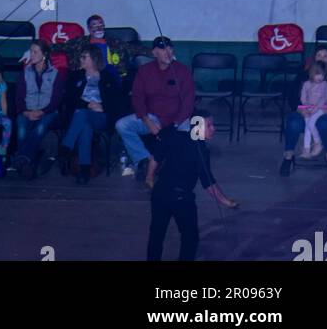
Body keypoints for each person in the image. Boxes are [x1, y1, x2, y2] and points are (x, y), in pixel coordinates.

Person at [147, 113, 237, 261]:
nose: (213, 129)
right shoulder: (200, 148)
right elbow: (208, 183)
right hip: (181, 199)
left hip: (159, 194)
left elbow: (155, 157)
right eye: (209, 126)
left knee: (157, 234)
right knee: (190, 238)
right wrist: (226, 202)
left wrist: (149, 177)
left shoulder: (172, 135)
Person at [116, 36, 195, 182]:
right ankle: (144, 160)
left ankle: (178, 167)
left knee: (191, 137)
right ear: (154, 53)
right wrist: (147, 121)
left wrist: (175, 124)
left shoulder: (183, 71)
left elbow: (188, 103)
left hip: (178, 119)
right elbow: (137, 98)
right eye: (163, 49)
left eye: (170, 48)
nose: (168, 52)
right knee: (122, 125)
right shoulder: (144, 71)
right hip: (153, 118)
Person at [60, 44, 129, 183]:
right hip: (81, 117)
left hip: (101, 117)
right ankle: (84, 171)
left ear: (93, 59)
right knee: (85, 125)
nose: (81, 59)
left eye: (84, 57)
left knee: (83, 115)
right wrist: (88, 105)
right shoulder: (75, 76)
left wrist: (102, 107)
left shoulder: (107, 77)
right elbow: (69, 99)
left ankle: (66, 147)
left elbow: (118, 102)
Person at [13, 41, 65, 178]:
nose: (32, 54)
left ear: (45, 54)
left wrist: (42, 112)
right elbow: (18, 97)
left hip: (48, 111)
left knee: (41, 127)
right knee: (22, 128)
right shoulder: (25, 72)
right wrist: (26, 112)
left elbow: (56, 100)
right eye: (31, 51)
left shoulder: (55, 74)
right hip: (27, 110)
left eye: (35, 52)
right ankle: (27, 163)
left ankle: (22, 159)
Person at [280, 45, 327, 175]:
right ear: (313, 58)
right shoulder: (303, 74)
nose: (322, 58)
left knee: (324, 124)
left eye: (325, 56)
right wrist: (300, 109)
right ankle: (288, 156)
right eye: (319, 55)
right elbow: (292, 95)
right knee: (293, 122)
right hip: (305, 111)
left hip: (325, 112)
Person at [298, 61, 327, 157]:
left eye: (322, 74)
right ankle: (306, 149)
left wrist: (315, 109)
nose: (320, 77)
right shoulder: (306, 84)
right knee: (307, 126)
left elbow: (324, 98)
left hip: (321, 108)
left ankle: (318, 142)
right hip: (309, 108)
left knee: (311, 124)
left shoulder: (325, 84)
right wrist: (307, 107)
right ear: (312, 73)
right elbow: (303, 97)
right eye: (317, 74)